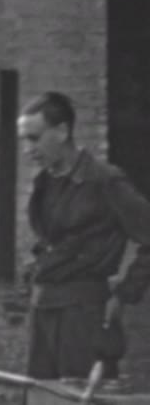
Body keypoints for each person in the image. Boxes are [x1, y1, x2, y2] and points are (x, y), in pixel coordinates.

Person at [17, 91, 150, 381]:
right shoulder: (45, 183)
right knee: (42, 396)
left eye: (34, 138)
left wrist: (126, 293)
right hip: (44, 308)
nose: (28, 149)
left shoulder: (104, 181)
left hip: (84, 314)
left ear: (62, 131)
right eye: (24, 140)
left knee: (79, 396)